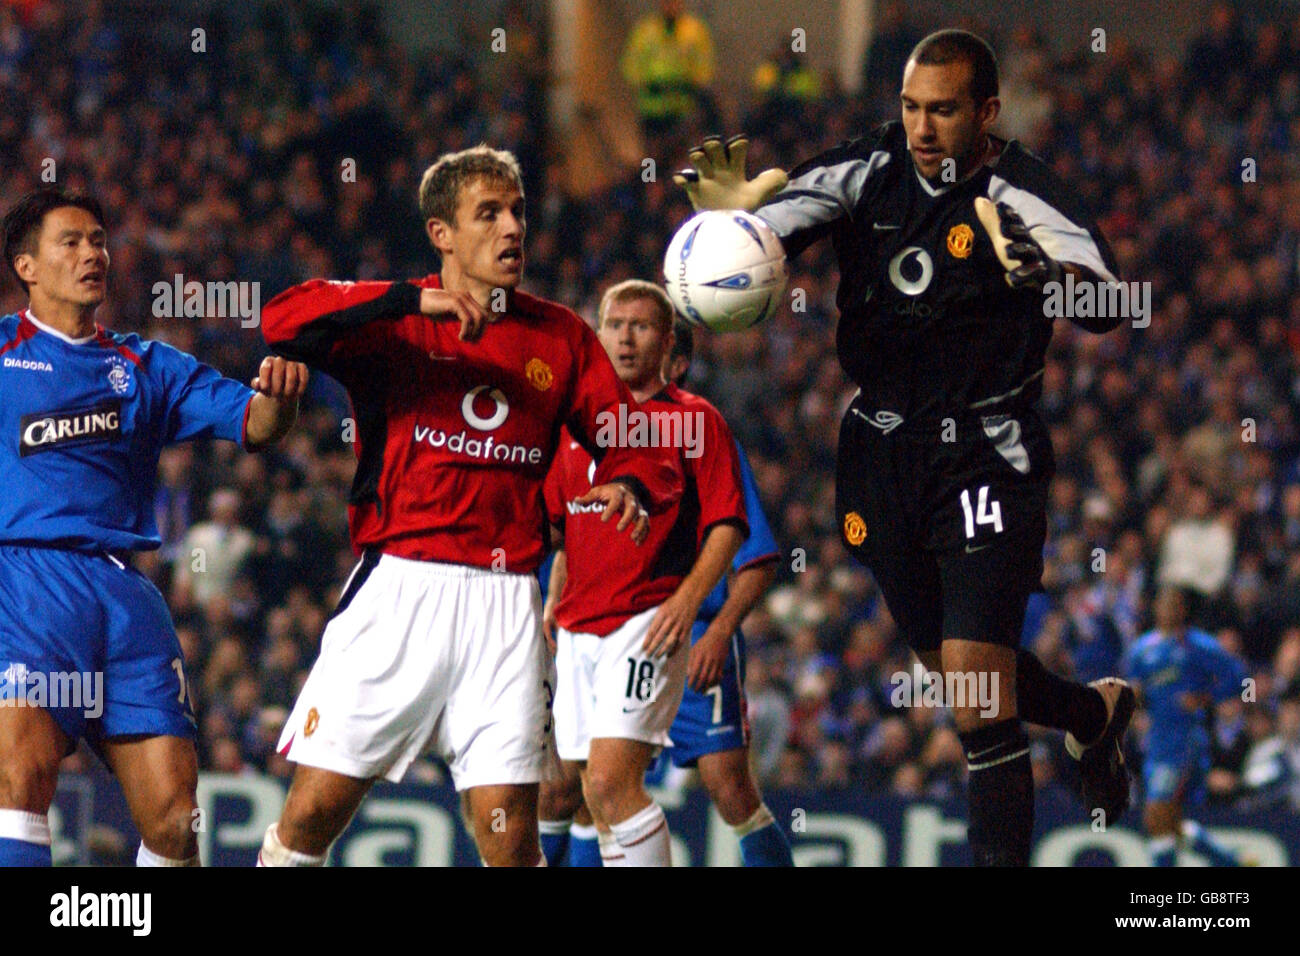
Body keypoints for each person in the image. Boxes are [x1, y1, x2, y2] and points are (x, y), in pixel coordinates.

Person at [675, 29, 1135, 865]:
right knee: (956, 671)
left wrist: (1044, 275)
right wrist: (735, 227)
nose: (923, 128)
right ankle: (1088, 715)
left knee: (976, 697)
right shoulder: (868, 167)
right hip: (883, 452)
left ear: (986, 111)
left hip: (987, 451)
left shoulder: (1027, 193)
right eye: (912, 108)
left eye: (944, 110)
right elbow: (770, 232)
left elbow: (1117, 302)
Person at [257, 146, 680, 868]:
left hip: (505, 607)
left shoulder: (560, 335)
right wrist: (404, 299)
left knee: (509, 837)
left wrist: (630, 483)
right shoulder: (398, 324)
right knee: (314, 811)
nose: (513, 228)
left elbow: (630, 436)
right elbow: (281, 318)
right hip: (400, 591)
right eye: (489, 213)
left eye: (517, 211)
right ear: (442, 233)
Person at [0, 187, 306, 867]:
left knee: (174, 820)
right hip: (26, 582)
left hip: (125, 596)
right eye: (72, 241)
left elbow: (254, 422)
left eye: (99, 241)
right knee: (22, 783)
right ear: (26, 266)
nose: (93, 254)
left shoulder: (147, 365)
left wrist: (281, 400)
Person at [541, 280, 746, 866]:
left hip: (646, 621)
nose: (626, 337)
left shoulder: (692, 420)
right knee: (583, 791)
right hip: (579, 628)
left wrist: (686, 602)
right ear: (598, 334)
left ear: (667, 342)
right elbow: (563, 530)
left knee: (610, 782)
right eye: (615, 324)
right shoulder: (573, 427)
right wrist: (554, 597)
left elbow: (728, 525)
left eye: (642, 326)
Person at [1124, 586, 1250, 866]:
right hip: (1156, 741)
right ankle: (1228, 860)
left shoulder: (1199, 646)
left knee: (1155, 812)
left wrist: (1205, 698)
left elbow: (1238, 678)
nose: (1168, 609)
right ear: (1156, 607)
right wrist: (1134, 709)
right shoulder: (1142, 649)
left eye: (1175, 604)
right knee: (1167, 821)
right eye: (1163, 603)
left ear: (1183, 610)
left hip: (1184, 740)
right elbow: (1134, 693)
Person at [620, 0, 717, 139]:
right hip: (652, 109)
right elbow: (631, 66)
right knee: (652, 157)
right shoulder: (645, 30)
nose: (670, 5)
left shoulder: (695, 31)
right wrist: (649, 83)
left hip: (683, 109)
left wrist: (690, 84)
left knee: (680, 153)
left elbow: (705, 66)